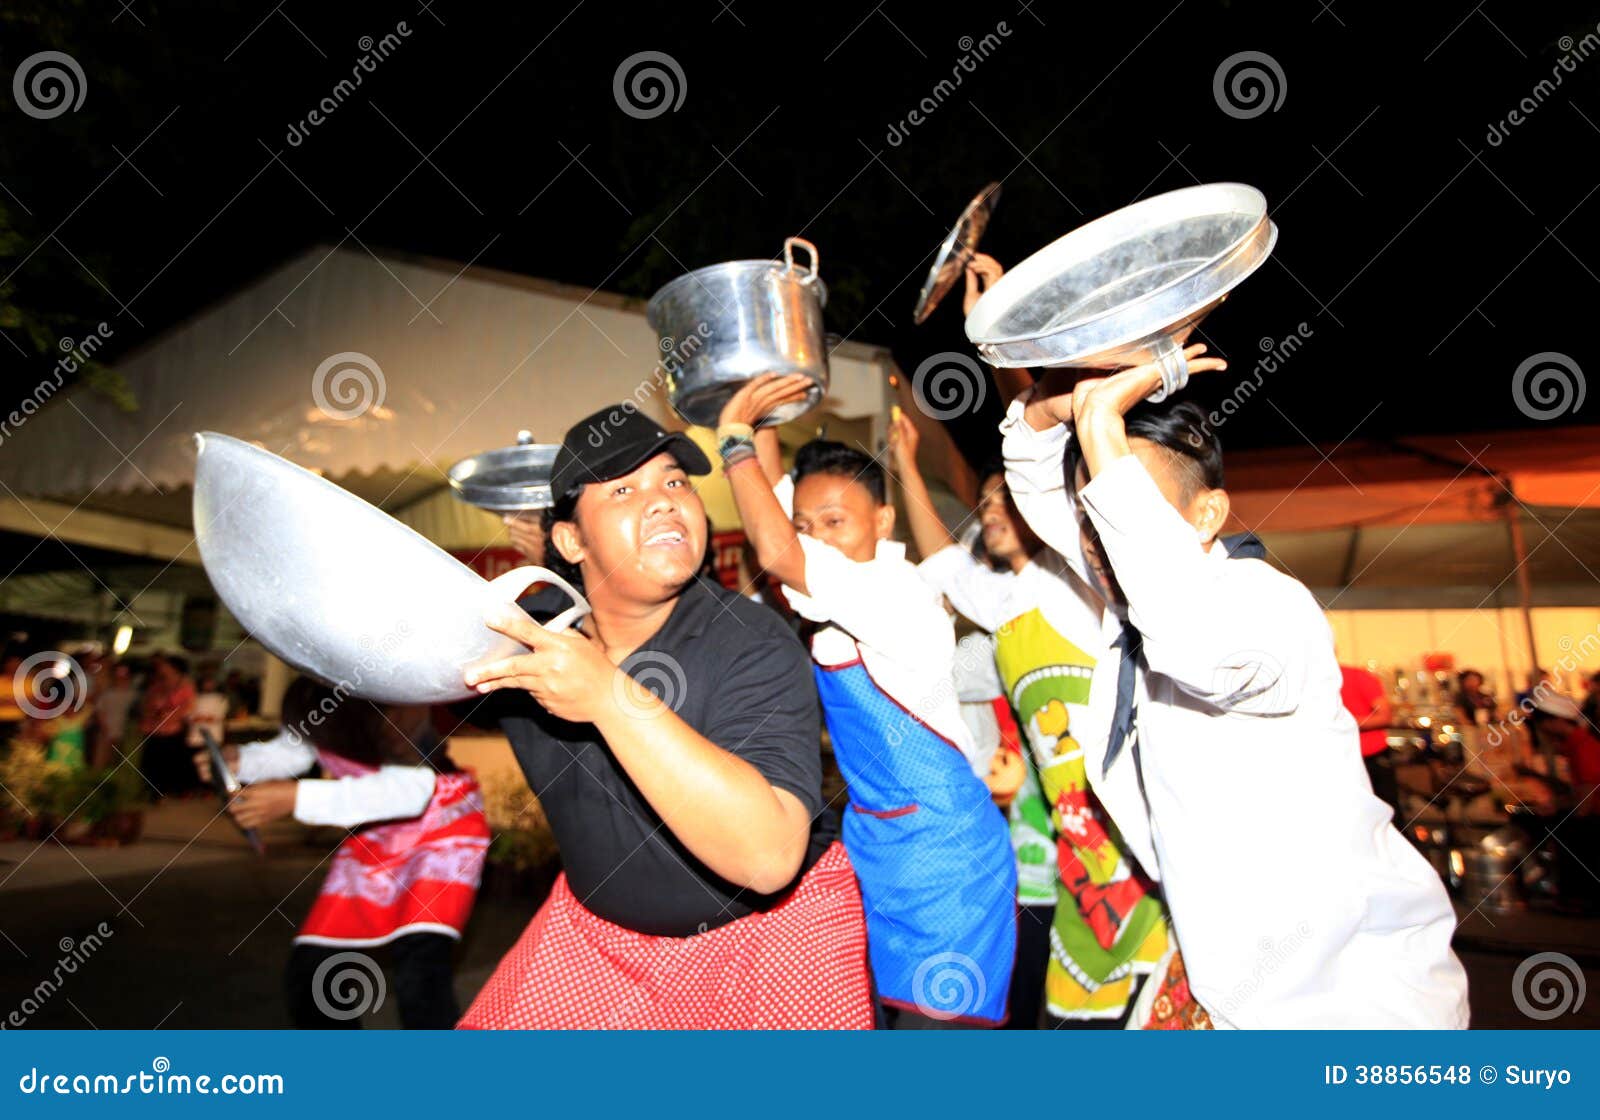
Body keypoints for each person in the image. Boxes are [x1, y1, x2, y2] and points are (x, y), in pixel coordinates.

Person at [1000, 347, 1469, 1028]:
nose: (1097, 538)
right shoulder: (1132, 590)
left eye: (1119, 509)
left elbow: (1194, 643)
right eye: (1088, 517)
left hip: (1350, 999)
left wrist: (1102, 424)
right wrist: (1065, 398)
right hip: (1223, 984)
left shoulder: (1262, 604)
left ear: (1207, 515)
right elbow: (1038, 470)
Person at [457, 404, 872, 1030]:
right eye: (624, 489)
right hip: (597, 941)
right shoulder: (522, 640)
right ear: (570, 540)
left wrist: (608, 697)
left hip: (770, 943)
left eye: (675, 482)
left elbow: (768, 858)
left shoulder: (750, 640)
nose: (663, 501)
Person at [720, 374, 1016, 1028]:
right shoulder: (841, 590)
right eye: (808, 525)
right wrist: (769, 412)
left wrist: (736, 439)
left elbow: (776, 546)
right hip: (883, 847)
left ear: (882, 521)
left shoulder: (890, 594)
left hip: (946, 860)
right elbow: (777, 515)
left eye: (835, 522)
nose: (817, 539)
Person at [893, 409, 1197, 1029]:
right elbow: (949, 562)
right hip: (1072, 854)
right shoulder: (1005, 598)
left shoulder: (1080, 580)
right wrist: (903, 461)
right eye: (984, 503)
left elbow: (1046, 472)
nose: (992, 511)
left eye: (1007, 498)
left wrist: (1051, 396)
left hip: (1142, 839)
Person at [197, 676, 487, 1029]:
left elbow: (410, 790)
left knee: (420, 969)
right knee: (314, 972)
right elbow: (292, 751)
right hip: (378, 832)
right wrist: (239, 760)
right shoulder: (315, 690)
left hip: (443, 828)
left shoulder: (397, 690)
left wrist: (295, 798)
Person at [137, 654, 197, 797]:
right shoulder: (157, 685)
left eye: (165, 666)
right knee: (153, 762)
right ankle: (154, 791)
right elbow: (147, 705)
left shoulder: (185, 685)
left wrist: (171, 717)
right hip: (154, 729)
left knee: (174, 761)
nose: (162, 669)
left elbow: (187, 707)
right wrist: (152, 714)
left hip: (174, 729)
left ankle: (174, 789)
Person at [1340, 662, 1396, 809]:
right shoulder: (1307, 681)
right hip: (1339, 759)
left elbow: (1385, 717)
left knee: (1384, 810)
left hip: (1371, 757)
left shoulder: (1357, 676)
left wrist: (1344, 723)